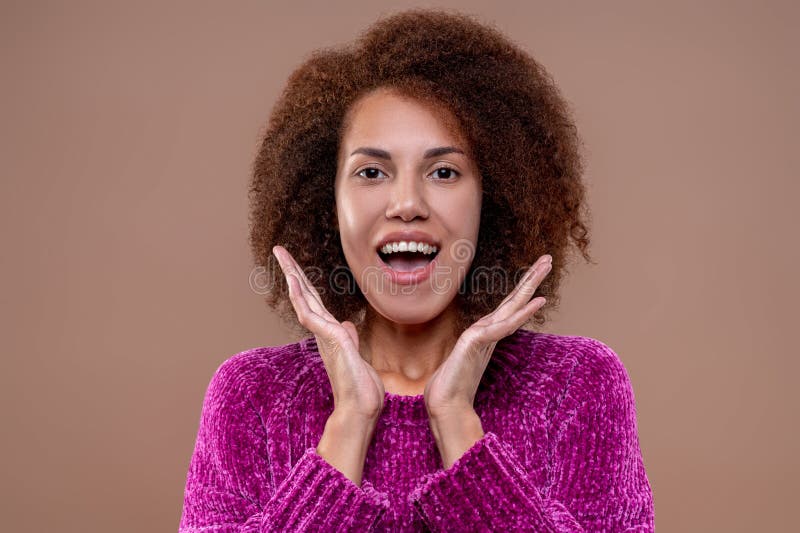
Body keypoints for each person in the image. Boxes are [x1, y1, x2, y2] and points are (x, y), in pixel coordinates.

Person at [179, 8, 655, 532]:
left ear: (491, 199)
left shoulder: (576, 387)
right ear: (326, 201)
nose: (407, 203)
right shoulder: (251, 396)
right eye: (372, 172)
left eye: (444, 171)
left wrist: (456, 422)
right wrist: (349, 425)